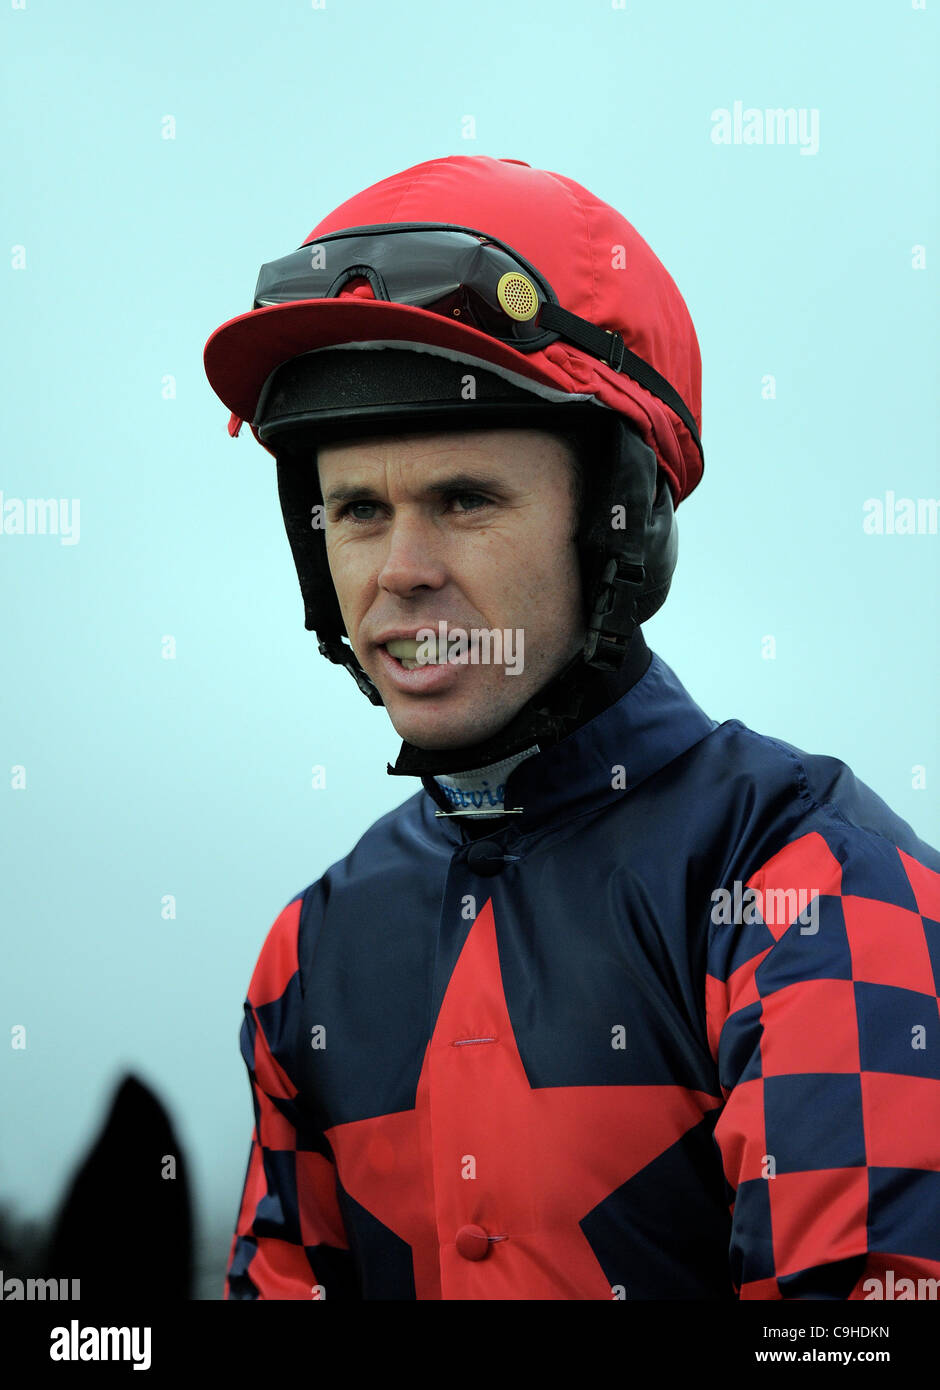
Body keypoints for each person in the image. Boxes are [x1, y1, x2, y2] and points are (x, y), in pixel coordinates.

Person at [204, 155, 940, 1300]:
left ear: (619, 533)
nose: (400, 572)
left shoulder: (804, 876)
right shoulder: (308, 952)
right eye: (356, 511)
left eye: (465, 500)